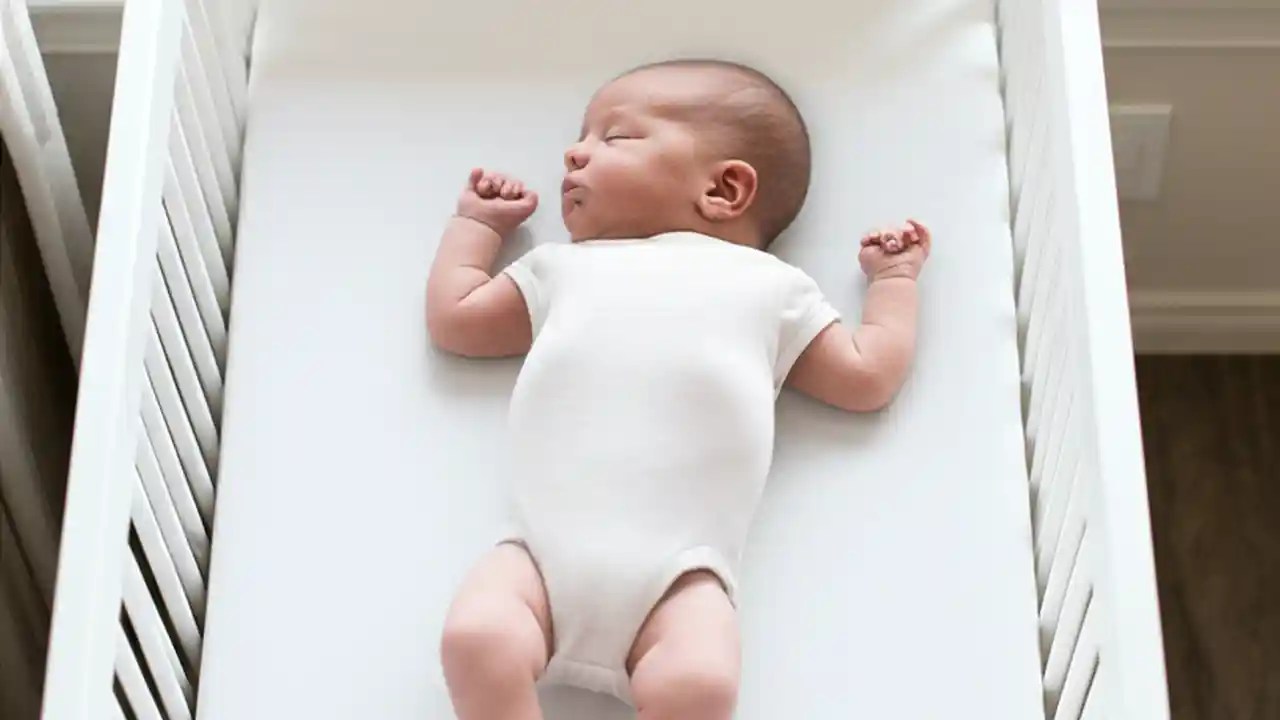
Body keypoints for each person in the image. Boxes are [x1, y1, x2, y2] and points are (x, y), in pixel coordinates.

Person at [425, 58, 931, 720]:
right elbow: (457, 319)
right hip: (537, 558)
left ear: (724, 190)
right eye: (582, 136)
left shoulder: (772, 289)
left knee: (699, 684)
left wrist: (893, 283)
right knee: (477, 638)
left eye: (615, 138)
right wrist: (478, 228)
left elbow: (865, 375)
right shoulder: (560, 269)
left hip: (681, 576)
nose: (574, 153)